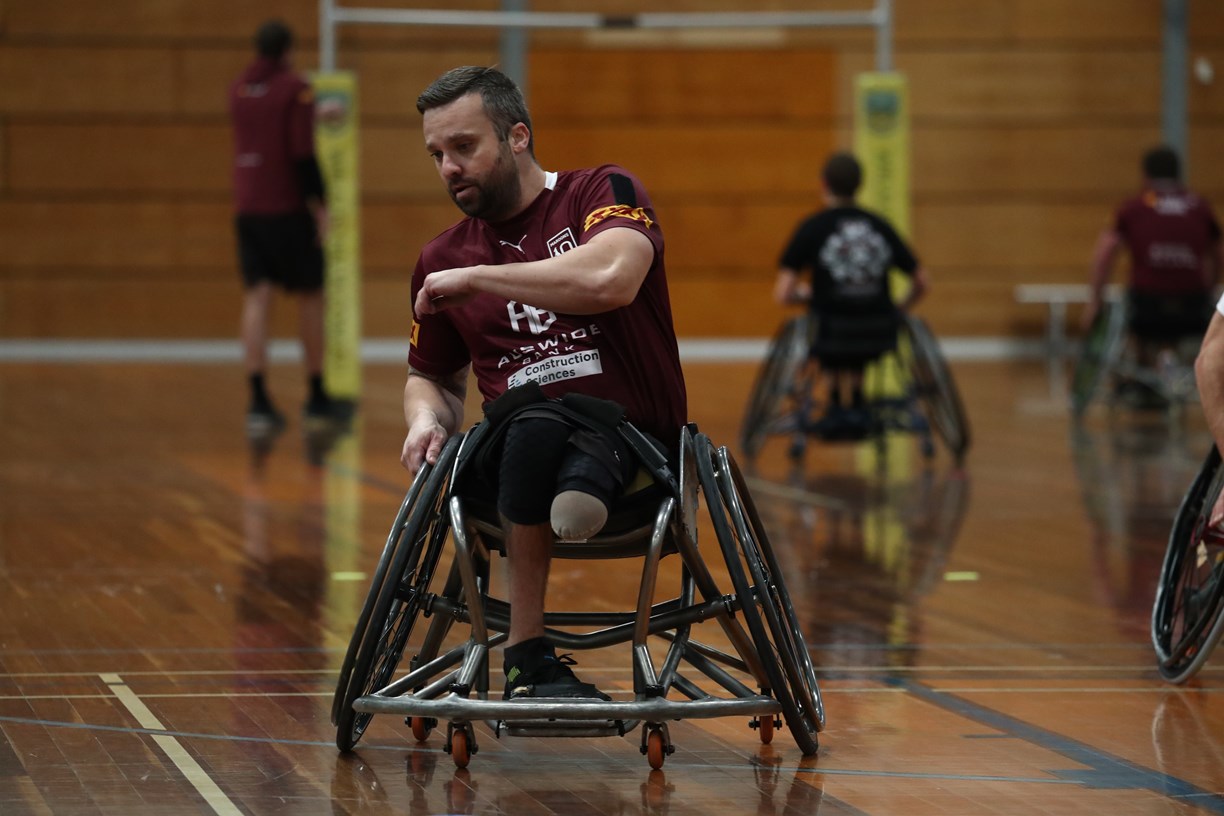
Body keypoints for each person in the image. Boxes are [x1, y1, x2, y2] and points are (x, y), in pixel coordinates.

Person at [402, 66, 687, 701]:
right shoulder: (439, 257)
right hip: (515, 452)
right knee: (530, 423)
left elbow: (611, 279)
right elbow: (432, 379)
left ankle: (587, 476)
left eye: (464, 147)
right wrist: (425, 420)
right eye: (437, 154)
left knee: (566, 420)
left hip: (636, 443)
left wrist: (483, 279)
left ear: (518, 137)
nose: (449, 167)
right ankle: (528, 654)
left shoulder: (599, 190)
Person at [229, 19, 340, 435]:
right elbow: (301, 154)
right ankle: (316, 394)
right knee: (311, 295)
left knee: (257, 297)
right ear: (288, 51)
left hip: (248, 208)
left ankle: (257, 397)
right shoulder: (295, 89)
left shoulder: (238, 90)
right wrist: (322, 205)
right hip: (287, 208)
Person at [773, 151, 928, 438]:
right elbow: (921, 282)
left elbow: (783, 294)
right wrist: (898, 310)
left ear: (823, 184)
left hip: (830, 333)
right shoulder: (880, 226)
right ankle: (857, 399)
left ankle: (834, 401)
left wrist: (808, 294)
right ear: (859, 184)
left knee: (830, 326)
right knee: (858, 327)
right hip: (878, 333)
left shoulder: (812, 228)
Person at [1083, 145, 1222, 399]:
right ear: (1179, 174)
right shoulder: (1200, 207)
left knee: (1134, 319)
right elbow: (1219, 253)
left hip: (1145, 308)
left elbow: (1105, 254)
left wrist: (1094, 302)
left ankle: (1146, 380)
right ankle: (1172, 371)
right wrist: (1211, 288)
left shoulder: (1134, 207)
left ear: (1145, 175)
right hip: (1194, 306)